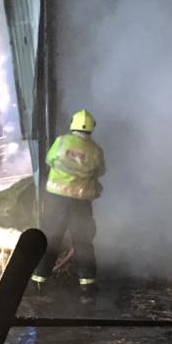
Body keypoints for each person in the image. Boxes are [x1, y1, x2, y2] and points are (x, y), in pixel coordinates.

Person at [31, 109, 106, 298]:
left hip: (57, 200)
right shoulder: (96, 150)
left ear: (73, 124)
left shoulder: (62, 142)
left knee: (51, 240)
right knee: (83, 242)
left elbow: (49, 159)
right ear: (92, 127)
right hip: (81, 204)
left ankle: (39, 281)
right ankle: (87, 286)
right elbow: (101, 171)